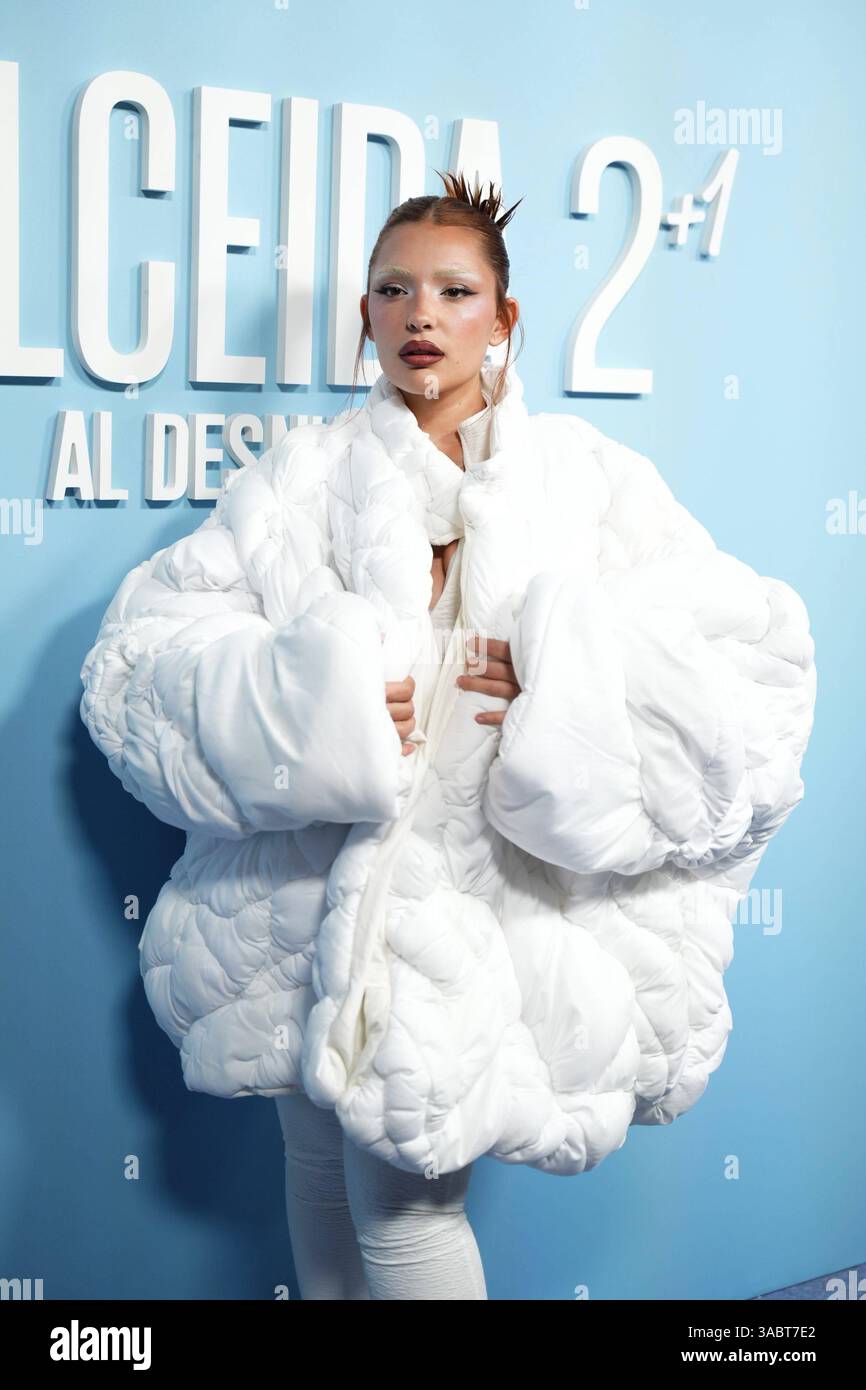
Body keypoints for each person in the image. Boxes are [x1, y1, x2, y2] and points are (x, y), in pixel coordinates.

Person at [79, 171, 817, 1300]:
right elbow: (141, 660)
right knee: (320, 1176)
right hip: (302, 907)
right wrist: (314, 705)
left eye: (454, 291)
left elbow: (745, 670)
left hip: (476, 911)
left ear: (503, 318)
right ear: (365, 316)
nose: (421, 315)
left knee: (409, 1209)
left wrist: (561, 674)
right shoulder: (301, 479)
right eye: (393, 290)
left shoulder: (586, 481)